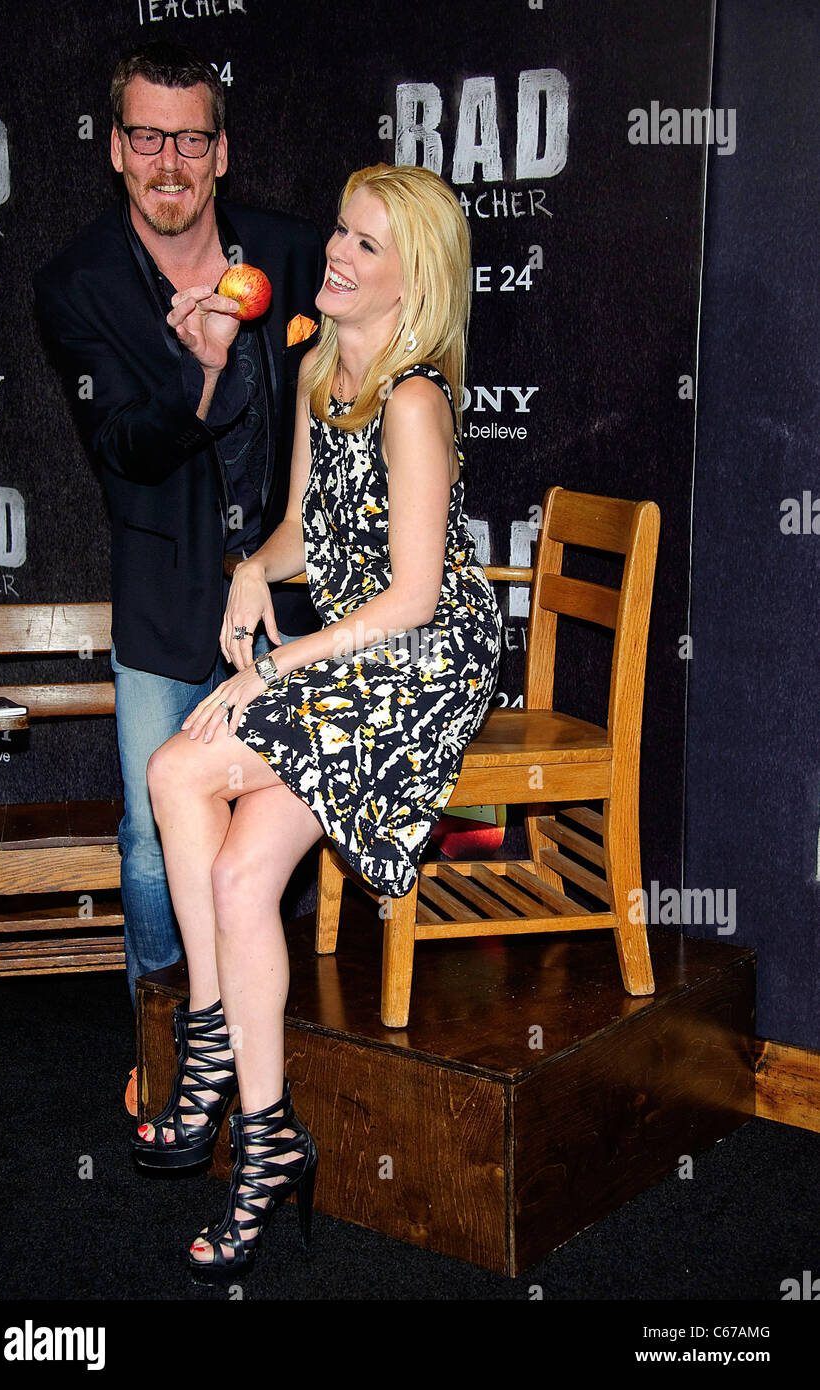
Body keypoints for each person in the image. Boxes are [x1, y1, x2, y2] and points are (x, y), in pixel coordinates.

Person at [134, 163, 503, 1276]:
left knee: (199, 806)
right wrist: (252, 567)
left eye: (366, 246)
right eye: (340, 233)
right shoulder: (314, 370)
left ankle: (227, 1082)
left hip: (419, 661)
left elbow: (413, 596)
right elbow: (305, 528)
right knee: (207, 828)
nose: (335, 254)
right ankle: (258, 1118)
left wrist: (277, 664)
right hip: (349, 652)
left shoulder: (414, 398)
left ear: (414, 282)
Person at [33, 42, 324, 1017]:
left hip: (286, 605)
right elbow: (126, 449)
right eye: (148, 137)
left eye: (189, 138)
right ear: (116, 148)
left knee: (272, 834)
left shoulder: (288, 255)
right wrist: (202, 367)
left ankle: (262, 1043)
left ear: (221, 150)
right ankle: (169, 1046)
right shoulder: (78, 286)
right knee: (155, 842)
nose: (170, 162)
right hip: (164, 607)